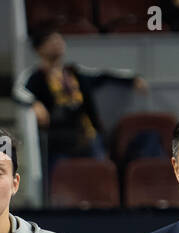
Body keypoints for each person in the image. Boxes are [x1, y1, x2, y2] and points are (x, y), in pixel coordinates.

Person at [14, 31, 146, 191]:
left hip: (86, 134)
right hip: (57, 140)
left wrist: (132, 79)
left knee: (101, 175)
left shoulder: (74, 72)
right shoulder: (35, 76)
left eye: (59, 40)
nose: (57, 43)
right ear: (39, 49)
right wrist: (34, 103)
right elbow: (19, 91)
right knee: (58, 181)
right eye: (51, 41)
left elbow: (103, 75)